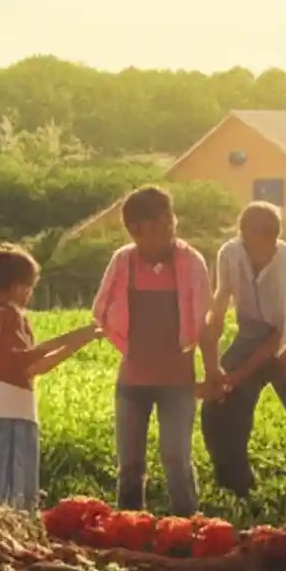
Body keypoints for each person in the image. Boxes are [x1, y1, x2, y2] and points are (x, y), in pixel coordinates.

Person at [199, 202, 286, 512]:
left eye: (271, 234)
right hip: (251, 331)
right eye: (256, 234)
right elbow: (221, 301)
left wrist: (237, 375)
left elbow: (281, 335)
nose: (264, 241)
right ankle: (236, 487)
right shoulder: (229, 254)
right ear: (243, 234)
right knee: (218, 406)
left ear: (277, 235)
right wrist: (213, 361)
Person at [91, 187, 212, 515]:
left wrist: (212, 373)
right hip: (132, 380)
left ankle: (188, 528)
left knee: (176, 459)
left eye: (168, 222)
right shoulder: (123, 261)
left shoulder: (191, 262)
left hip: (177, 382)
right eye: (156, 226)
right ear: (136, 229)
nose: (166, 230)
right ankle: (128, 528)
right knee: (129, 465)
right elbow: (101, 311)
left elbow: (206, 324)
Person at [0, 244, 101, 511]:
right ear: (15, 285)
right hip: (7, 409)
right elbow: (26, 361)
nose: (29, 292)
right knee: (7, 489)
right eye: (28, 285)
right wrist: (78, 337)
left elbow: (33, 365)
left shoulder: (1, 316)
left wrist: (79, 339)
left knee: (2, 485)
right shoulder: (6, 316)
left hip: (9, 407)